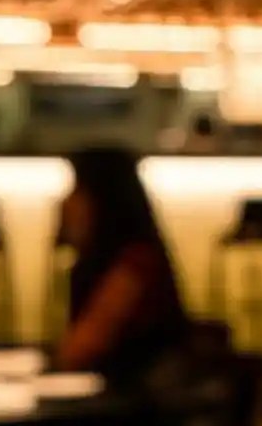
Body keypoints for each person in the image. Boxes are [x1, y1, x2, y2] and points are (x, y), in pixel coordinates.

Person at [56, 147, 188, 384]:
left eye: (77, 190)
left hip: (134, 408)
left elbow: (80, 350)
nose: (66, 201)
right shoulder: (131, 259)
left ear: (101, 200)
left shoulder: (134, 265)